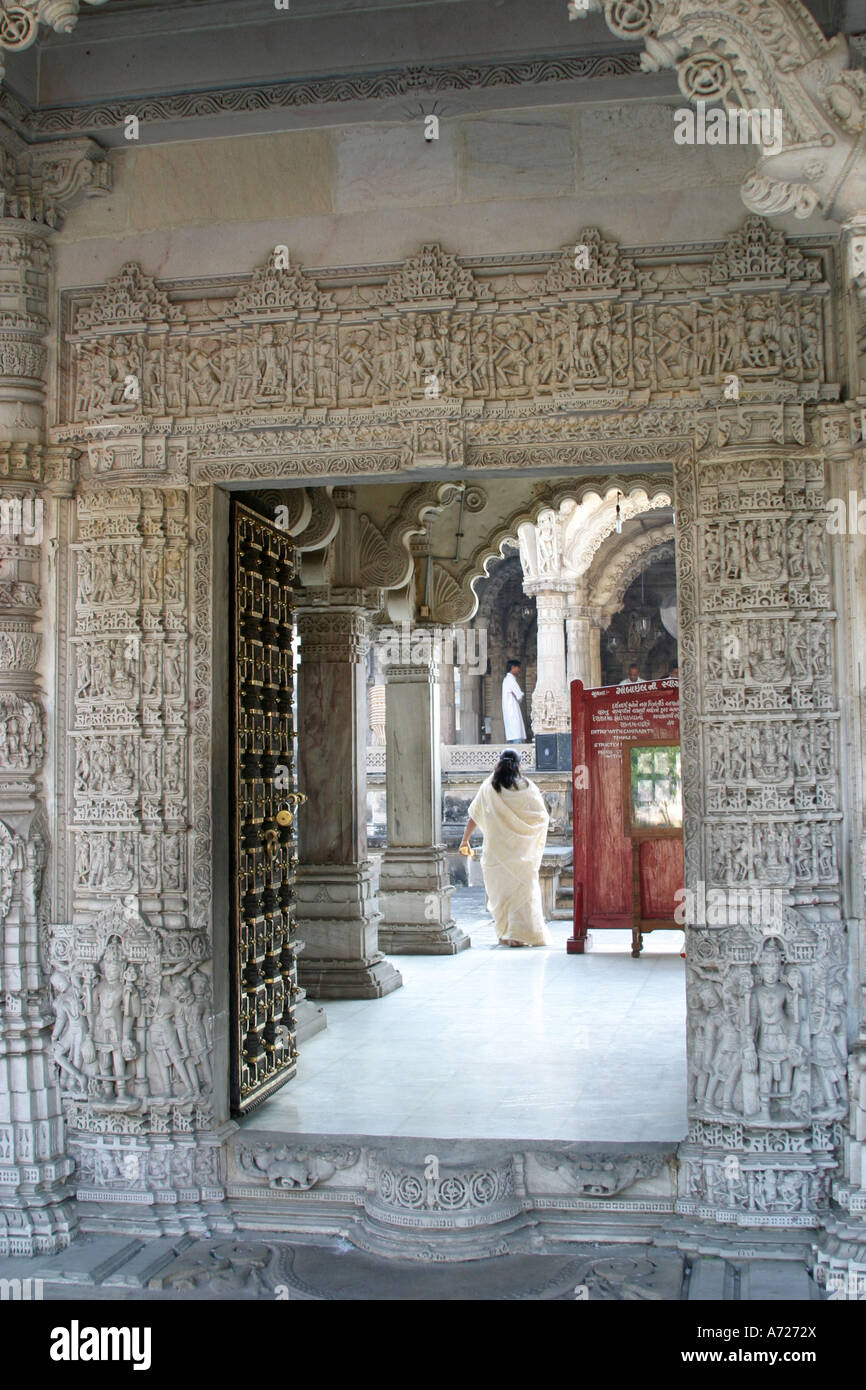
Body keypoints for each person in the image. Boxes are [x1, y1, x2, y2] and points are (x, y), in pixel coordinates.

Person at [458, 749, 551, 947]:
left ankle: (504, 933)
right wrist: (526, 834)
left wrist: (464, 840)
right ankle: (517, 935)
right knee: (523, 895)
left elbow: (474, 815)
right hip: (521, 854)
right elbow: (542, 818)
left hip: (496, 854)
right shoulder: (527, 787)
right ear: (519, 765)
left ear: (499, 763)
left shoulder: (489, 787)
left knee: (501, 896)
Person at [501, 659, 526, 742]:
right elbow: (519, 695)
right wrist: (520, 695)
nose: (519, 670)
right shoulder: (510, 680)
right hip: (513, 712)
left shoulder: (507, 680)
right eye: (518, 668)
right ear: (513, 667)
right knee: (516, 735)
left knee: (512, 735)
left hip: (510, 712)